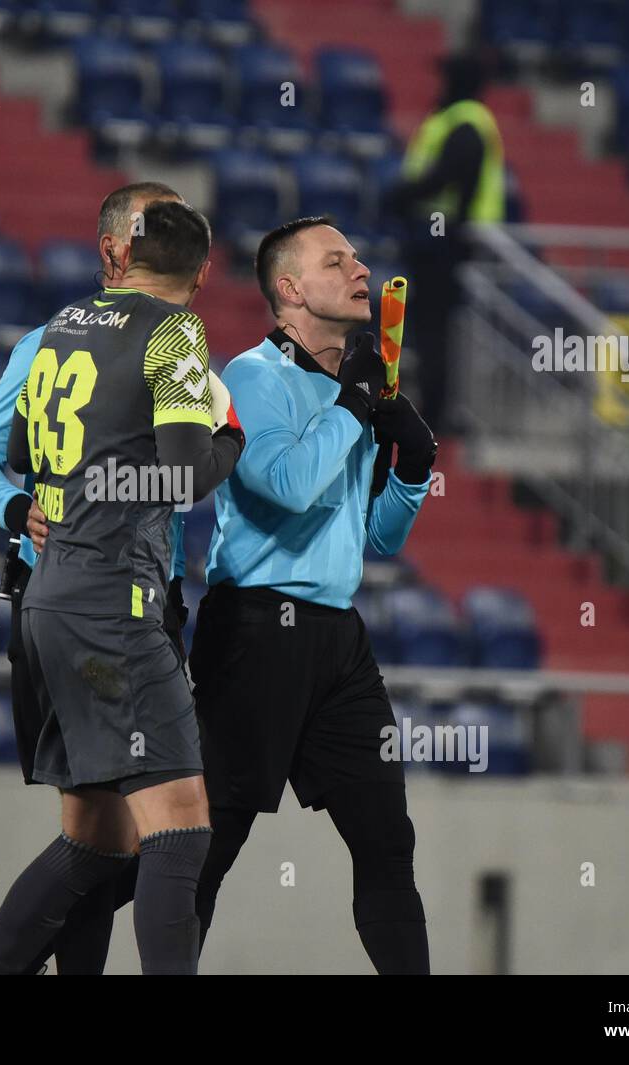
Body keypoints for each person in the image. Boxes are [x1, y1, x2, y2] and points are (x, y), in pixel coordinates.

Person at [0, 200, 243, 975]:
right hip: (117, 603)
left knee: (97, 838)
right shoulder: (175, 332)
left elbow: (18, 449)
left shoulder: (59, 327)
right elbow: (185, 473)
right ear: (203, 272)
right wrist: (231, 439)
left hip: (51, 596)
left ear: (124, 256)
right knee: (180, 827)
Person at [190, 217, 436, 973]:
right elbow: (291, 486)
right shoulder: (251, 376)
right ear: (290, 290)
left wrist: (414, 467)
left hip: (336, 638)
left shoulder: (349, 387)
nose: (361, 269)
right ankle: (20, 946)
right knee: (204, 847)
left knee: (389, 841)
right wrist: (355, 409)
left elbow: (377, 534)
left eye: (359, 257)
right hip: (254, 630)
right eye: (338, 261)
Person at [387, 52, 504, 433]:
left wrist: (401, 195)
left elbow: (447, 177)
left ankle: (435, 416)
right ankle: (434, 411)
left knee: (437, 331)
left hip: (447, 243)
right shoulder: (458, 119)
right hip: (440, 240)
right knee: (431, 330)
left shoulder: (466, 121)